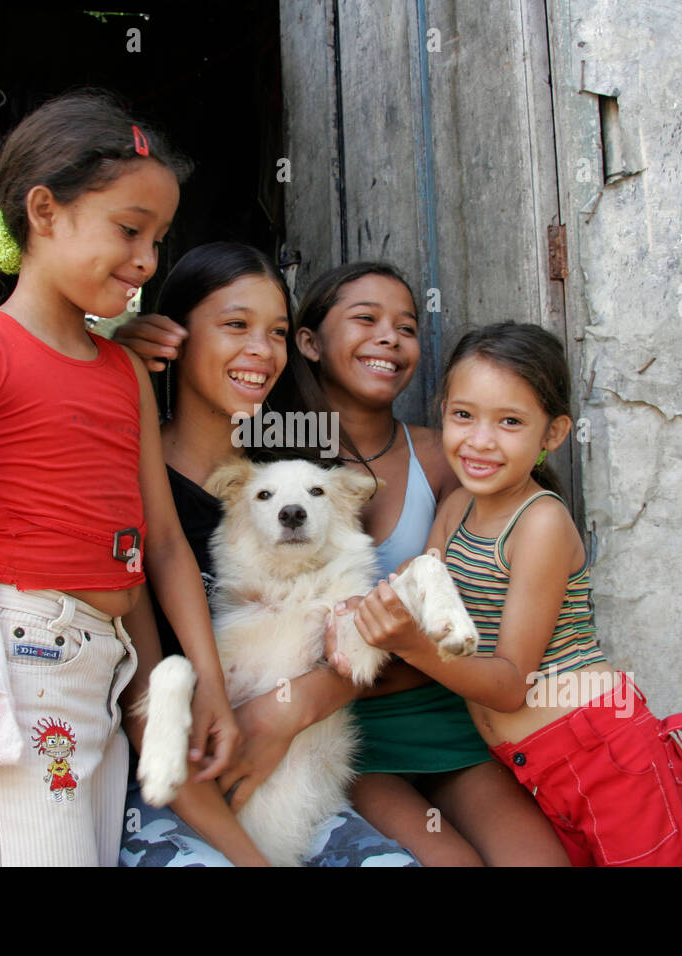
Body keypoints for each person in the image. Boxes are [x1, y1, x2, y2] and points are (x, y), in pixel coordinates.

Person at [0, 91, 240, 866]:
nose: (147, 261)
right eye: (129, 230)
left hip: (105, 673)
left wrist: (204, 687)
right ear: (44, 211)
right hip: (17, 673)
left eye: (158, 238)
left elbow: (160, 543)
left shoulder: (123, 373)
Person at [119, 261, 566, 866]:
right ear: (312, 343)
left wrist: (292, 705)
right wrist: (119, 359)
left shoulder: (435, 460)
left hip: (392, 720)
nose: (388, 336)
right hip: (323, 749)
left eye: (406, 325)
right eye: (366, 319)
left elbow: (443, 626)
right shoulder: (269, 464)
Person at [113, 243, 417, 866]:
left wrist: (288, 710)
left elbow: (368, 642)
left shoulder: (300, 477)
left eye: (277, 332)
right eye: (235, 325)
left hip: (298, 777)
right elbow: (145, 709)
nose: (262, 349)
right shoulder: (132, 485)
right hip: (175, 793)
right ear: (171, 337)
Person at [352, 322, 682, 866]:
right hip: (530, 765)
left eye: (510, 422)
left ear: (553, 433)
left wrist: (414, 645)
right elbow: (419, 596)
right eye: (463, 415)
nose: (480, 440)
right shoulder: (456, 507)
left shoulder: (540, 524)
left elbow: (513, 684)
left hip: (602, 756)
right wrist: (358, 614)